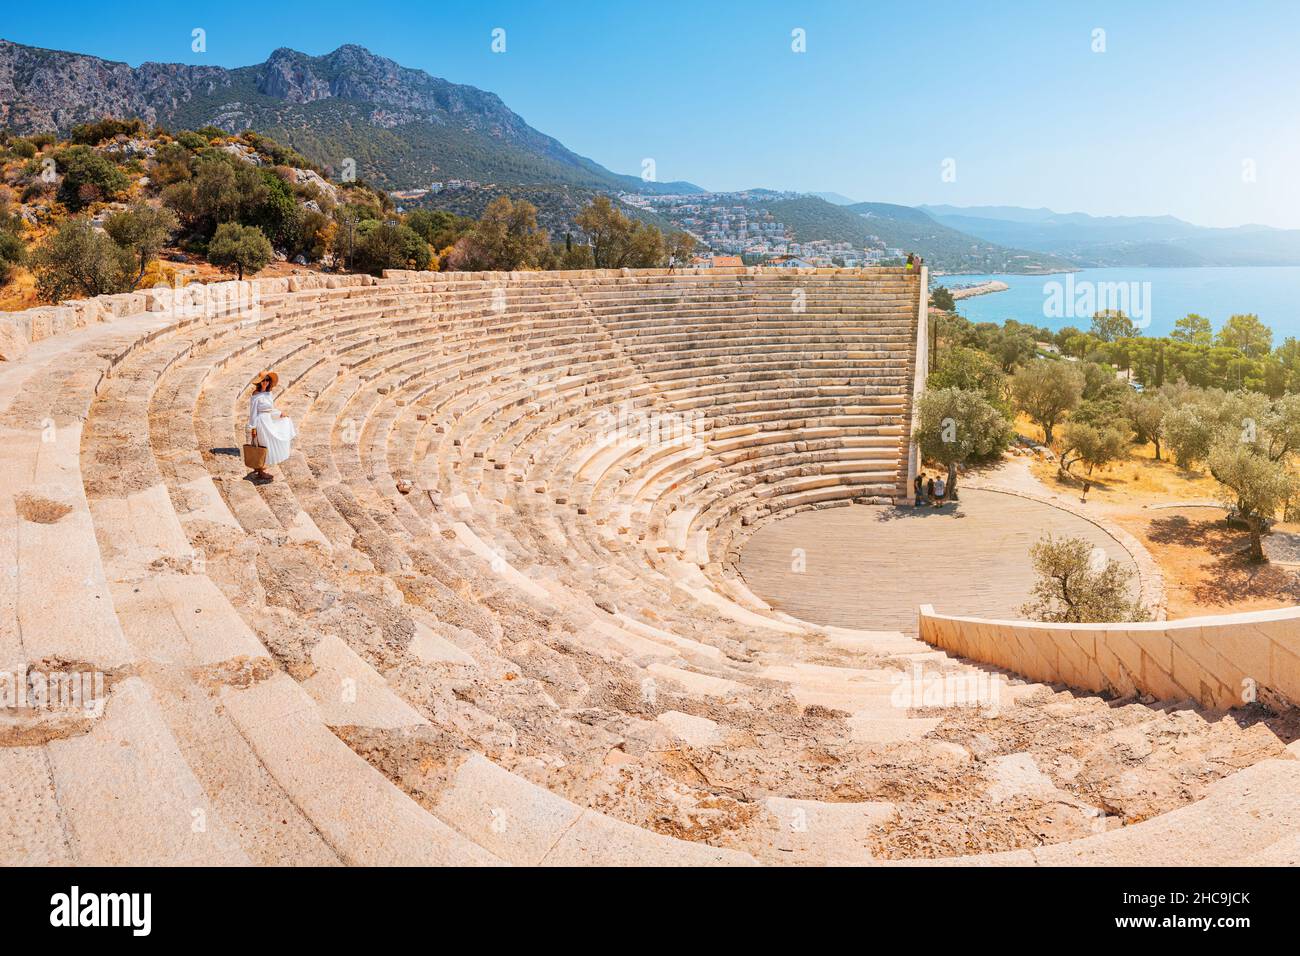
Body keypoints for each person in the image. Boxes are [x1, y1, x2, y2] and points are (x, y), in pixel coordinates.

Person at [247, 370, 296, 482]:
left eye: (267, 380)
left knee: (269, 443)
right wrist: (253, 427)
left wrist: (279, 414)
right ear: (260, 382)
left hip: (268, 420)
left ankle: (259, 467)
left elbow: (270, 410)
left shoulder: (269, 393)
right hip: (260, 422)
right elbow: (253, 412)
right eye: (263, 380)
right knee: (262, 445)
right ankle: (261, 471)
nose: (265, 382)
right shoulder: (256, 394)